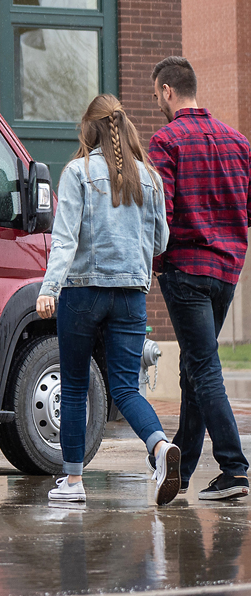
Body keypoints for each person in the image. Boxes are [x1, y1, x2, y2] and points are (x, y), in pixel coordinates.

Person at [36, 94, 179, 505]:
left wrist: (49, 290)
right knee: (126, 388)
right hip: (132, 296)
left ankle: (74, 483)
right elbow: (161, 242)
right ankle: (158, 447)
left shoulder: (77, 172)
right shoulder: (150, 177)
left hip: (82, 293)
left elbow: (64, 241)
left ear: (90, 129)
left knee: (76, 385)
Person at [150, 55, 251, 501]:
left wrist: (153, 263)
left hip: (186, 269)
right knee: (195, 367)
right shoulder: (238, 142)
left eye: (157, 95)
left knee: (203, 366)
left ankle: (233, 468)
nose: (158, 102)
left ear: (168, 91)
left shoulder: (166, 141)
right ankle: (183, 471)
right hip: (227, 269)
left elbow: (161, 214)